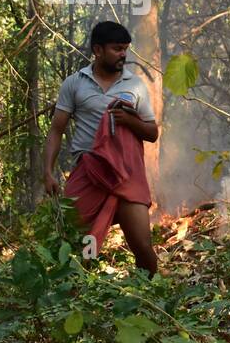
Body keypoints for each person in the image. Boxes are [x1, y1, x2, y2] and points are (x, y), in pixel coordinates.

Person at [43, 21, 160, 275]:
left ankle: (152, 300)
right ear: (98, 50)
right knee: (75, 246)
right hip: (88, 173)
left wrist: (130, 121)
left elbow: (152, 133)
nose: (123, 55)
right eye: (117, 49)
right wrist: (48, 172)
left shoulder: (135, 85)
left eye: (125, 49)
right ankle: (74, 304)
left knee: (142, 246)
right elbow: (56, 130)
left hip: (127, 175)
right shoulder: (74, 83)